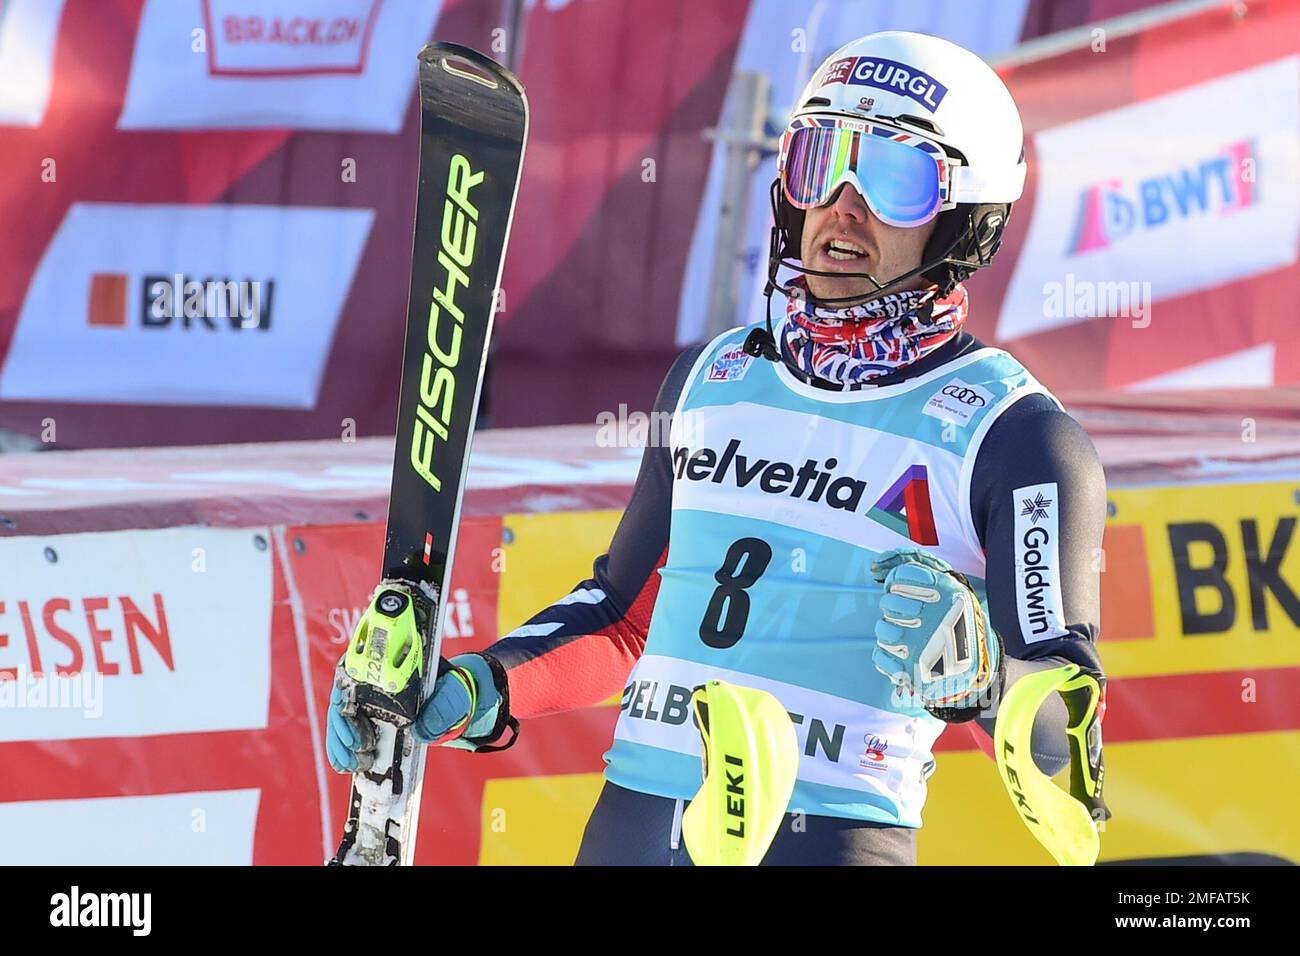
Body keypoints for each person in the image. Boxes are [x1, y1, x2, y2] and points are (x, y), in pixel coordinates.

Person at [325, 30, 1108, 866]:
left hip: (824, 837)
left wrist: (985, 683)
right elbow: (625, 619)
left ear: (963, 218)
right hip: (633, 826)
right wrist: (482, 688)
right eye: (819, 161)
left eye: (892, 179)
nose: (843, 205)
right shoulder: (712, 377)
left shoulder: (1018, 435)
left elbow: (1067, 759)